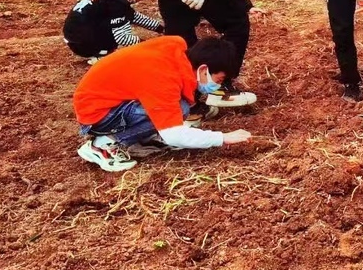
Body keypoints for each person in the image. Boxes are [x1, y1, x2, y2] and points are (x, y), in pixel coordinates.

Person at [73, 36, 252, 173]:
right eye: (219, 79)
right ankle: (102, 144)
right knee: (179, 109)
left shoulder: (174, 55)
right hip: (97, 114)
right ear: (203, 69)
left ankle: (141, 138)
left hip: (109, 102)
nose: (218, 86)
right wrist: (222, 137)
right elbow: (174, 135)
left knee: (178, 107)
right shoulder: (164, 77)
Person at [63, 0, 164, 62]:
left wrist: (161, 29)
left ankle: (100, 50)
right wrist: (149, 46)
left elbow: (134, 16)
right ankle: (101, 54)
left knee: (120, 19)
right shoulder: (117, 4)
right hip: (81, 44)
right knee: (119, 25)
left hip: (74, 38)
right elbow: (122, 37)